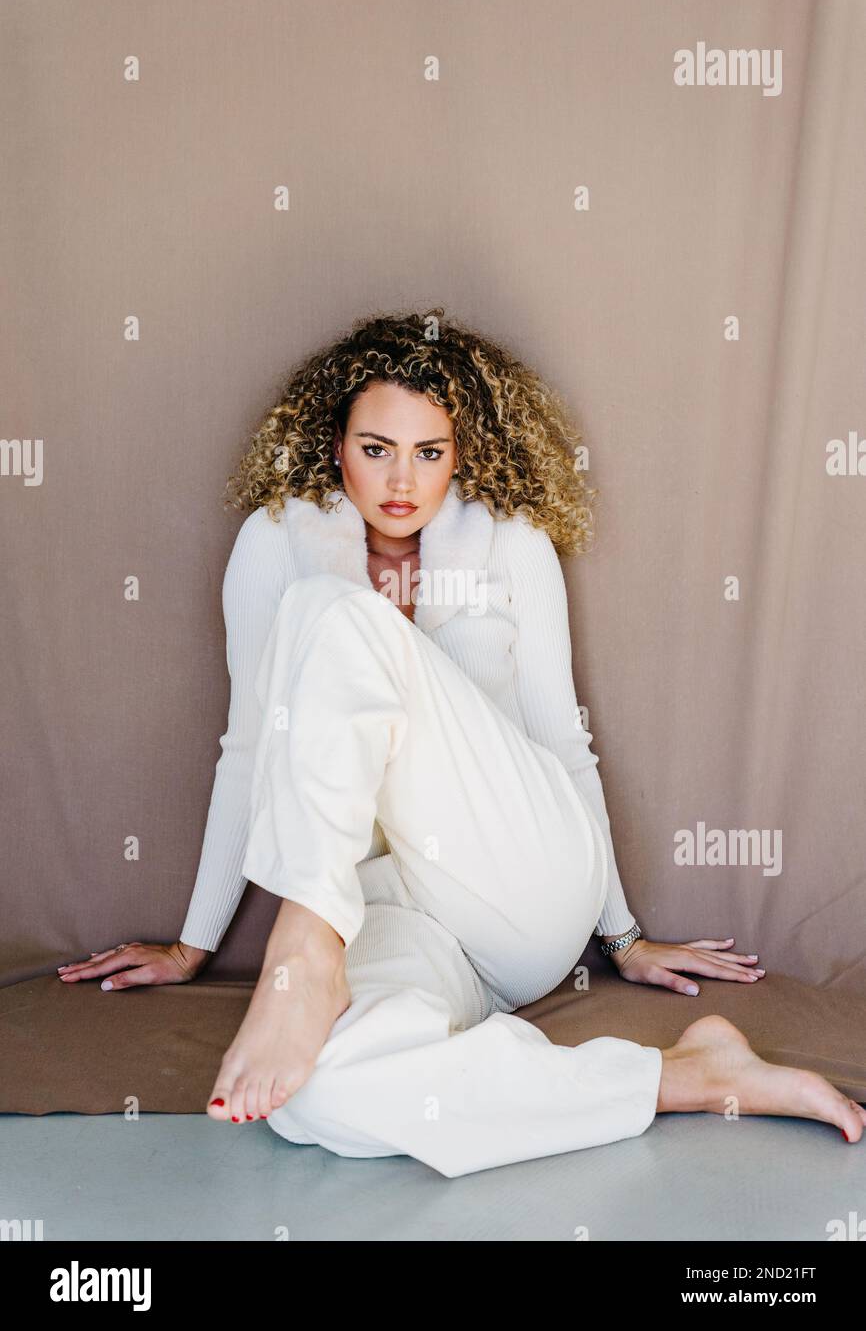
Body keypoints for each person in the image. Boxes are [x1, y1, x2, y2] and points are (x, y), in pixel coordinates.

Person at [57, 310, 865, 1176]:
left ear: (462, 453)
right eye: (376, 449)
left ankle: (306, 946)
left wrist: (623, 938)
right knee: (316, 1095)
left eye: (429, 452)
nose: (402, 479)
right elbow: (250, 749)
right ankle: (684, 1077)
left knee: (328, 615)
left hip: (524, 877)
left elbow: (563, 733)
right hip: (401, 912)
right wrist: (192, 946)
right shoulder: (275, 543)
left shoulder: (510, 542)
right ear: (335, 446)